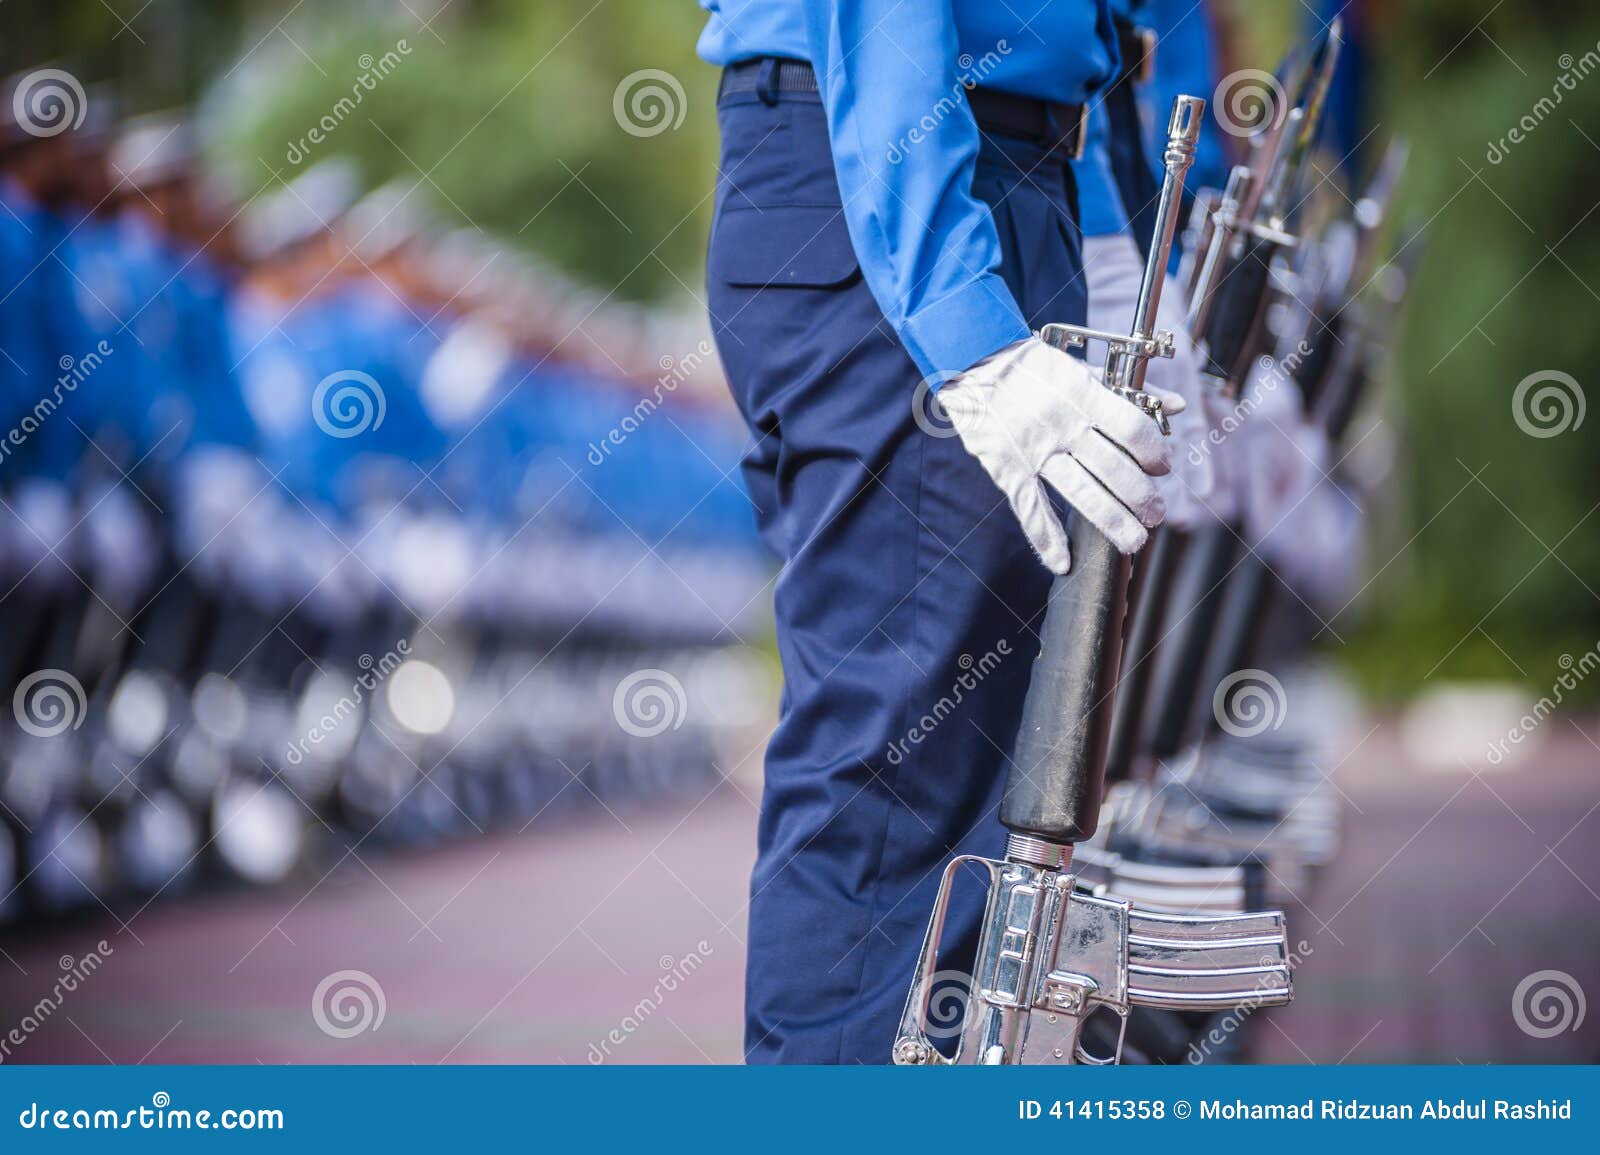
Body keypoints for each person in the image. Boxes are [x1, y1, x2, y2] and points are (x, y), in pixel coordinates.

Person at [696, 1, 1185, 1063]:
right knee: (896, 772)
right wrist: (962, 323)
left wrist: (1107, 224)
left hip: (1016, 173)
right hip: (906, 171)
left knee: (981, 772)